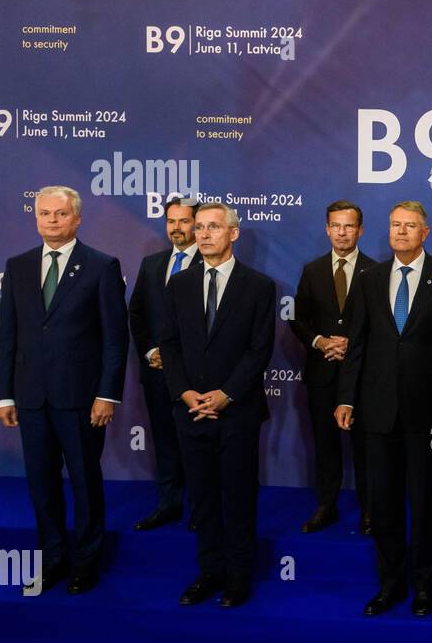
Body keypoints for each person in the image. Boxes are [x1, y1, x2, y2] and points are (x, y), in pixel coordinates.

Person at [336, 201, 432, 618]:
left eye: (409, 226)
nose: (401, 232)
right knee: (383, 503)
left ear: (424, 233)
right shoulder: (370, 279)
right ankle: (390, 585)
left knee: (425, 501)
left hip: (427, 412)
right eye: (395, 225)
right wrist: (346, 396)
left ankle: (424, 586)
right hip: (377, 410)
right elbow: (356, 344)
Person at [0, 186, 128, 595]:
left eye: (60, 213)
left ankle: (86, 563)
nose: (51, 220)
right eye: (44, 213)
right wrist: (5, 394)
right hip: (31, 398)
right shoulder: (17, 267)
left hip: (82, 400)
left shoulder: (101, 266)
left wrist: (107, 394)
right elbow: (8, 336)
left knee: (86, 481)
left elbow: (114, 339)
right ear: (35, 217)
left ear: (77, 219)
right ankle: (52, 559)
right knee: (41, 482)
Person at [161, 203, 276, 609]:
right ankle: (209, 572)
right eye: (199, 227)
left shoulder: (259, 286)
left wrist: (227, 394)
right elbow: (169, 346)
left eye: (213, 227)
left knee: (238, 497)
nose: (204, 234)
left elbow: (259, 349)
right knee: (203, 499)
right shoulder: (179, 285)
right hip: (190, 411)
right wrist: (186, 393)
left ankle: (238, 577)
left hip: (238, 412)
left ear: (234, 233)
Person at [289, 201, 375, 535]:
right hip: (322, 372)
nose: (342, 232)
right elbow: (298, 318)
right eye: (336, 226)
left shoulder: (376, 271)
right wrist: (321, 342)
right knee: (325, 445)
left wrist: (352, 345)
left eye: (349, 226)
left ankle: (370, 510)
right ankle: (327, 506)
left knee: (367, 448)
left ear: (360, 230)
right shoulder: (312, 270)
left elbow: (380, 325)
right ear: (327, 229)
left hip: (363, 375)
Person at [128, 197, 198, 531]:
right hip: (156, 373)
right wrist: (148, 352)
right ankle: (169, 503)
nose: (177, 228)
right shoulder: (152, 264)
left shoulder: (211, 264)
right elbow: (137, 314)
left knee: (198, 444)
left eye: (184, 221)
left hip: (196, 376)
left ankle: (201, 510)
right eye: (171, 221)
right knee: (166, 442)